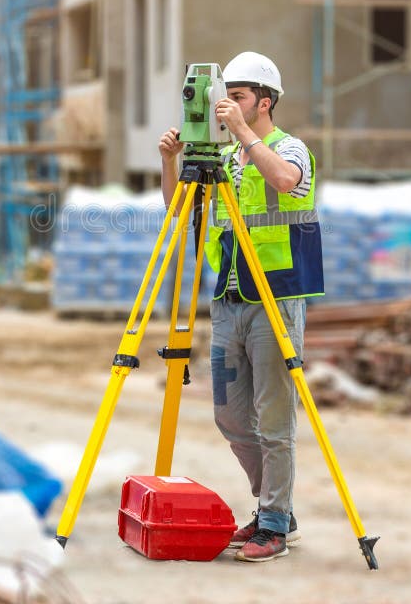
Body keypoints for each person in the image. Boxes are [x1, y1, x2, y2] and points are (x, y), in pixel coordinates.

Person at [158, 51, 324, 562]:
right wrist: (170, 163)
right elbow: (181, 214)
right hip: (229, 301)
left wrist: (245, 136)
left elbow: (284, 181)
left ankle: (274, 524)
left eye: (239, 97)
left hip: (276, 299)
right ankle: (277, 508)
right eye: (223, 97)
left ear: (265, 102)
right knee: (230, 415)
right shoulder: (226, 161)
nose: (226, 105)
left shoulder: (289, 148)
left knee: (275, 419)